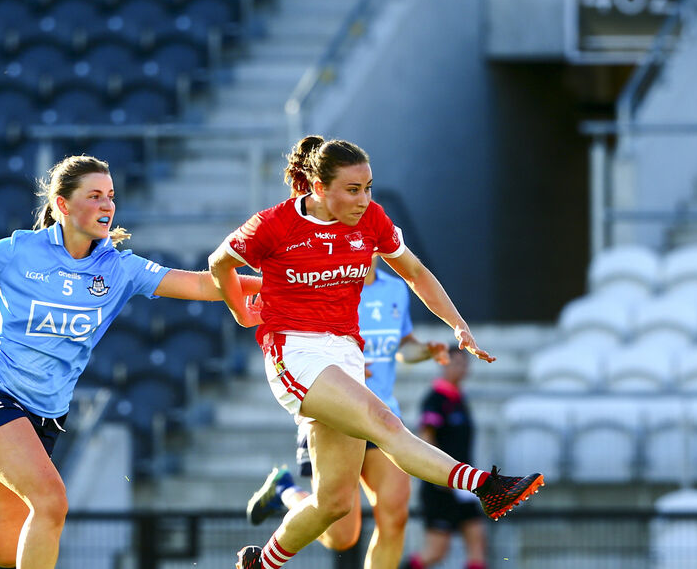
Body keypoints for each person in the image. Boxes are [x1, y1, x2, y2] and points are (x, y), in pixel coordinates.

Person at [0, 155, 262, 569]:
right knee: (51, 502)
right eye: (94, 196)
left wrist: (278, 287)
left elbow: (203, 285)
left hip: (46, 415)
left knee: (2, 549)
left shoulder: (120, 267)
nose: (107, 205)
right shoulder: (21, 249)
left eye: (111, 196)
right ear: (62, 204)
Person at [208, 136, 543, 569]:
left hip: (346, 352)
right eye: (352, 190)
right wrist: (240, 311)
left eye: (368, 188)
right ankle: (485, 486)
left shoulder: (372, 220)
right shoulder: (274, 224)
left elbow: (416, 273)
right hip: (295, 353)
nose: (364, 199)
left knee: (333, 506)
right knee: (386, 423)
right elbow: (219, 263)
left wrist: (458, 324)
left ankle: (261, 564)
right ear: (318, 188)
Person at [246, 259, 451, 569]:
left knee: (395, 517)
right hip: (332, 417)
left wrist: (425, 350)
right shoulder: (323, 283)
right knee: (341, 535)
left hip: (382, 418)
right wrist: (345, 368)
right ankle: (285, 490)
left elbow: (401, 346)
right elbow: (302, 347)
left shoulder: (396, 288)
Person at [401, 346, 488, 569]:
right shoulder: (436, 399)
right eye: (455, 363)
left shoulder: (460, 399)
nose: (460, 368)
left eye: (464, 364)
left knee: (477, 541)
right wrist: (440, 472)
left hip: (464, 484)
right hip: (441, 485)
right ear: (443, 365)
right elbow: (426, 437)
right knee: (436, 551)